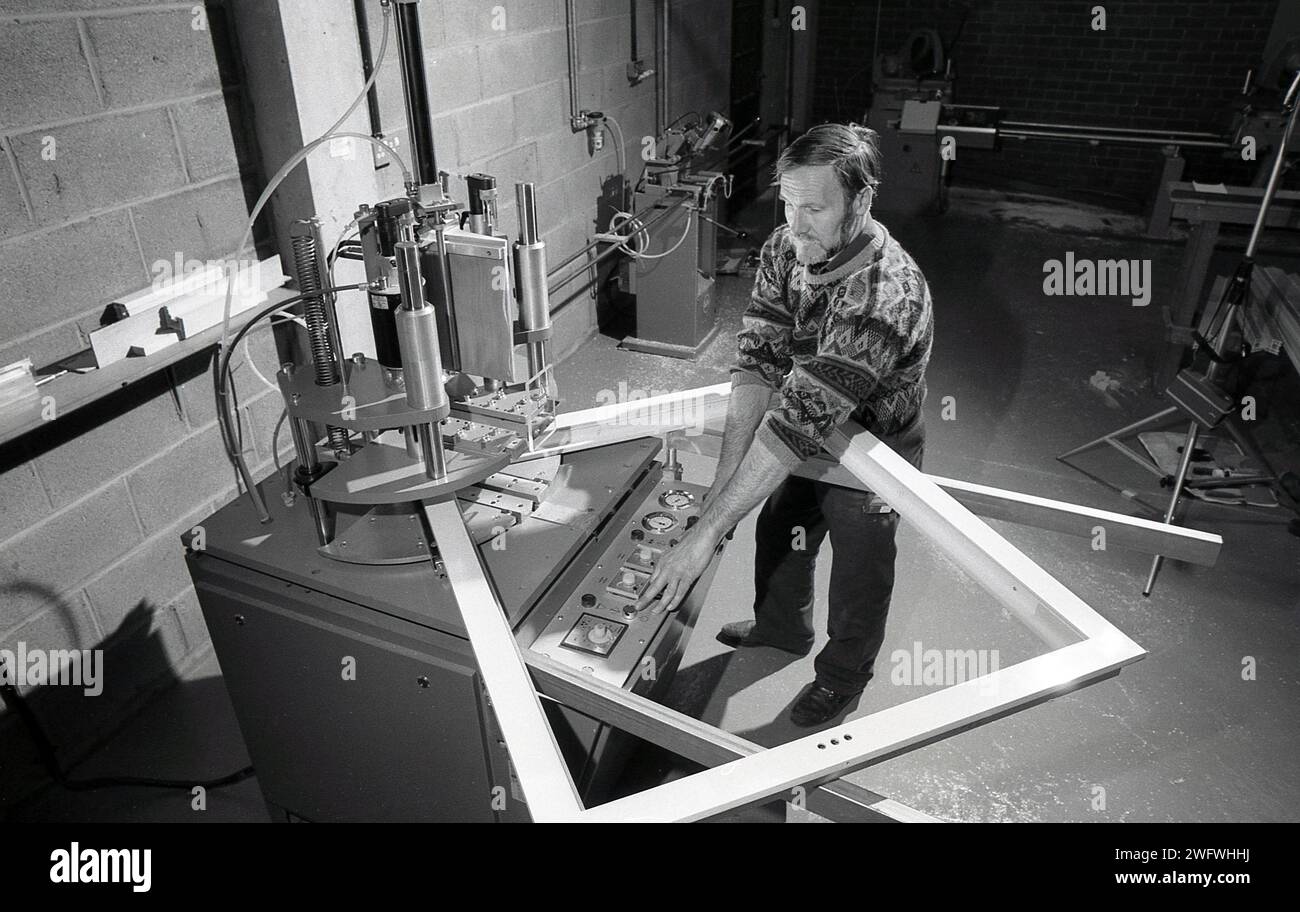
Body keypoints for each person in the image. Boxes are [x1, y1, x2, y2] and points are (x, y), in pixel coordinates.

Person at [634, 122, 934, 727]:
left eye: (815, 208)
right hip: (805, 422)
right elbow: (759, 363)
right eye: (789, 202)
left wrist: (701, 538)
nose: (795, 224)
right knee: (781, 529)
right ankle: (781, 631)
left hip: (874, 444)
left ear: (862, 200)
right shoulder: (784, 248)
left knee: (861, 569)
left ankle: (843, 679)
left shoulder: (882, 297)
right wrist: (720, 495)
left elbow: (797, 426)